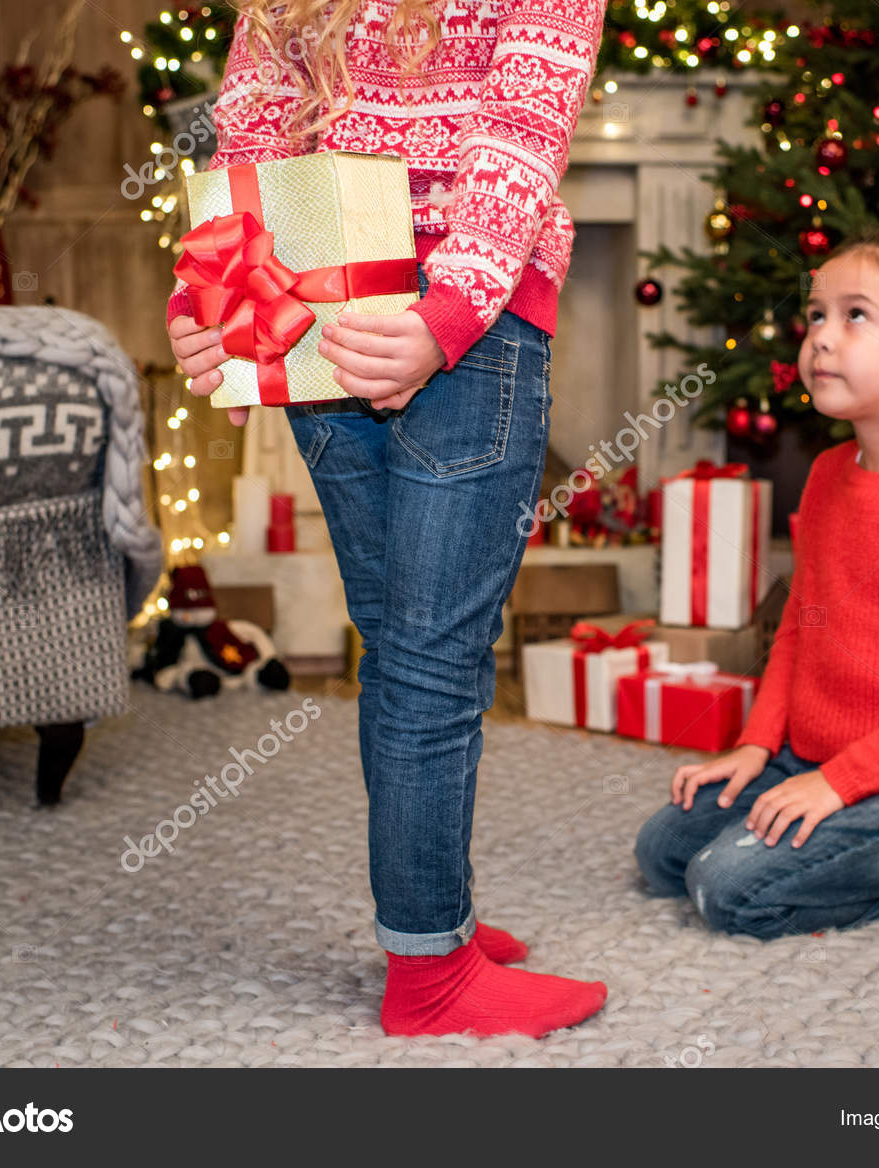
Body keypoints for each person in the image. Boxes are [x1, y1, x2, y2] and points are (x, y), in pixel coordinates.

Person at [165, 0, 609, 1037]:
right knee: (430, 660)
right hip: (442, 334)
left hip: (329, 319)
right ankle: (432, 972)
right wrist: (215, 311)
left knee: (402, 649)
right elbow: (512, 147)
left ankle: (430, 917)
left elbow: (251, 140)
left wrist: (220, 301)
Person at [634, 226, 879, 939]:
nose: (821, 336)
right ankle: (830, 825)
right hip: (815, 753)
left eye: (855, 315)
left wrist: (838, 785)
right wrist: (758, 747)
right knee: (664, 853)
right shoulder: (825, 476)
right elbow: (798, 629)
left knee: (727, 890)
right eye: (816, 314)